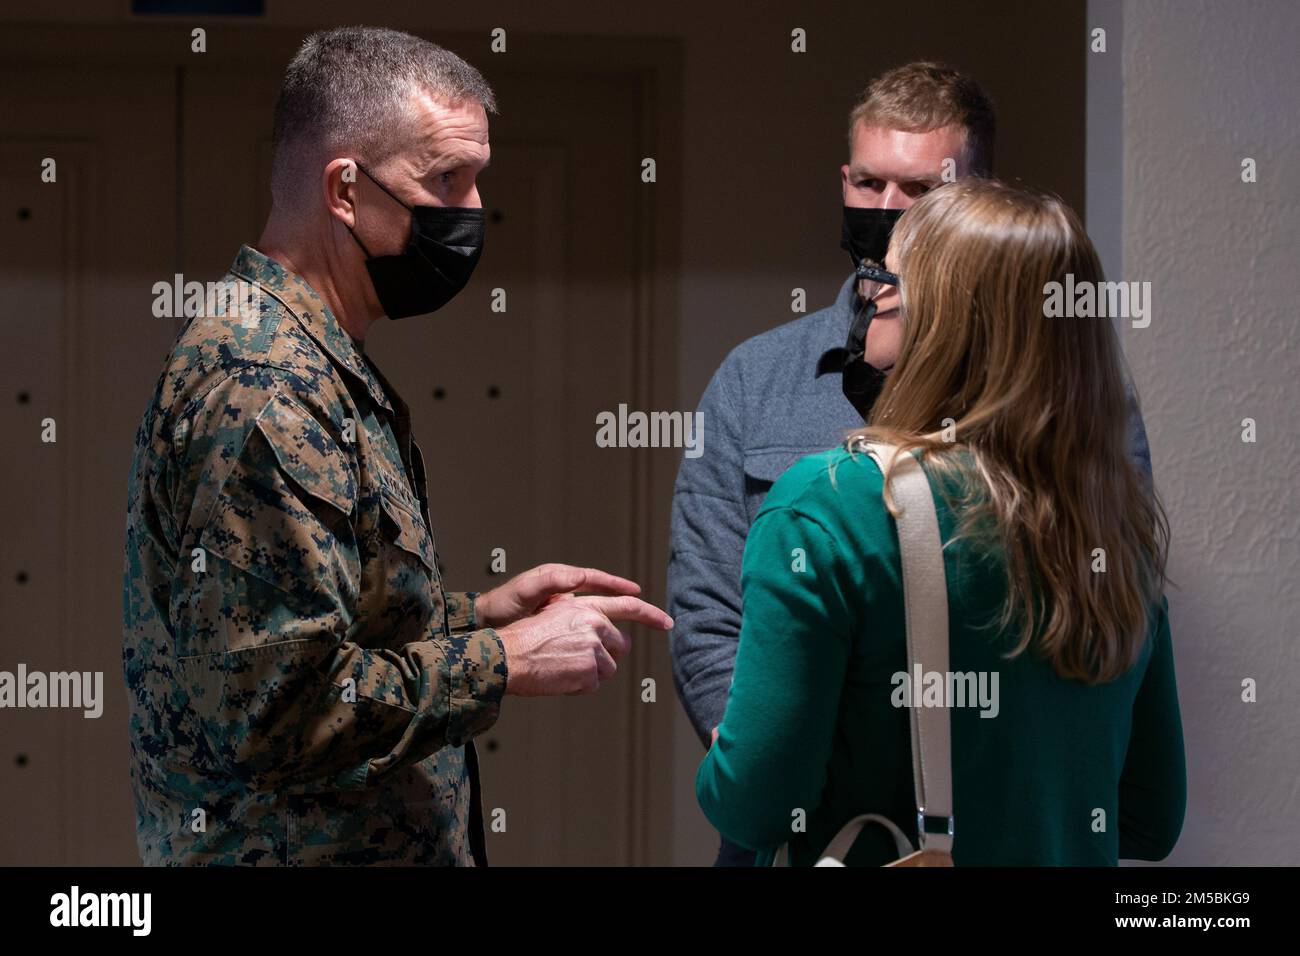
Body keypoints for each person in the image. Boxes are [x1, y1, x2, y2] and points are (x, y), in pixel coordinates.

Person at [122, 26, 671, 866]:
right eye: (446, 180)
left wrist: (471, 618)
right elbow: (272, 710)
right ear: (345, 189)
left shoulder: (311, 356)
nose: (473, 212)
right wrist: (495, 661)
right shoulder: (265, 385)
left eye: (479, 180)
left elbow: (315, 630)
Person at [667, 61, 1151, 865]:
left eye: (921, 193)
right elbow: (710, 611)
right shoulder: (759, 383)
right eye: (869, 183)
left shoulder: (1079, 416)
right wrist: (767, 750)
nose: (888, 215)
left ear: (976, 205)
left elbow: (1099, 623)